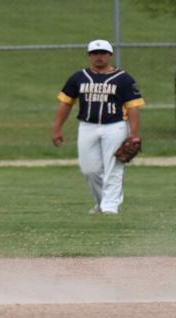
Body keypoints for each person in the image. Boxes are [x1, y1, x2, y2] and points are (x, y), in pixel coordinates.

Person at [50, 39, 144, 215]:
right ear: (89, 56)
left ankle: (110, 207)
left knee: (113, 167)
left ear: (110, 55)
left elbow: (133, 107)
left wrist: (133, 133)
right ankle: (102, 203)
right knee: (89, 170)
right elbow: (65, 104)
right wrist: (57, 129)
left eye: (102, 53)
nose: (98, 57)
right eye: (94, 53)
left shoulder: (123, 79)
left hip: (115, 126)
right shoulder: (78, 77)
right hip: (87, 126)